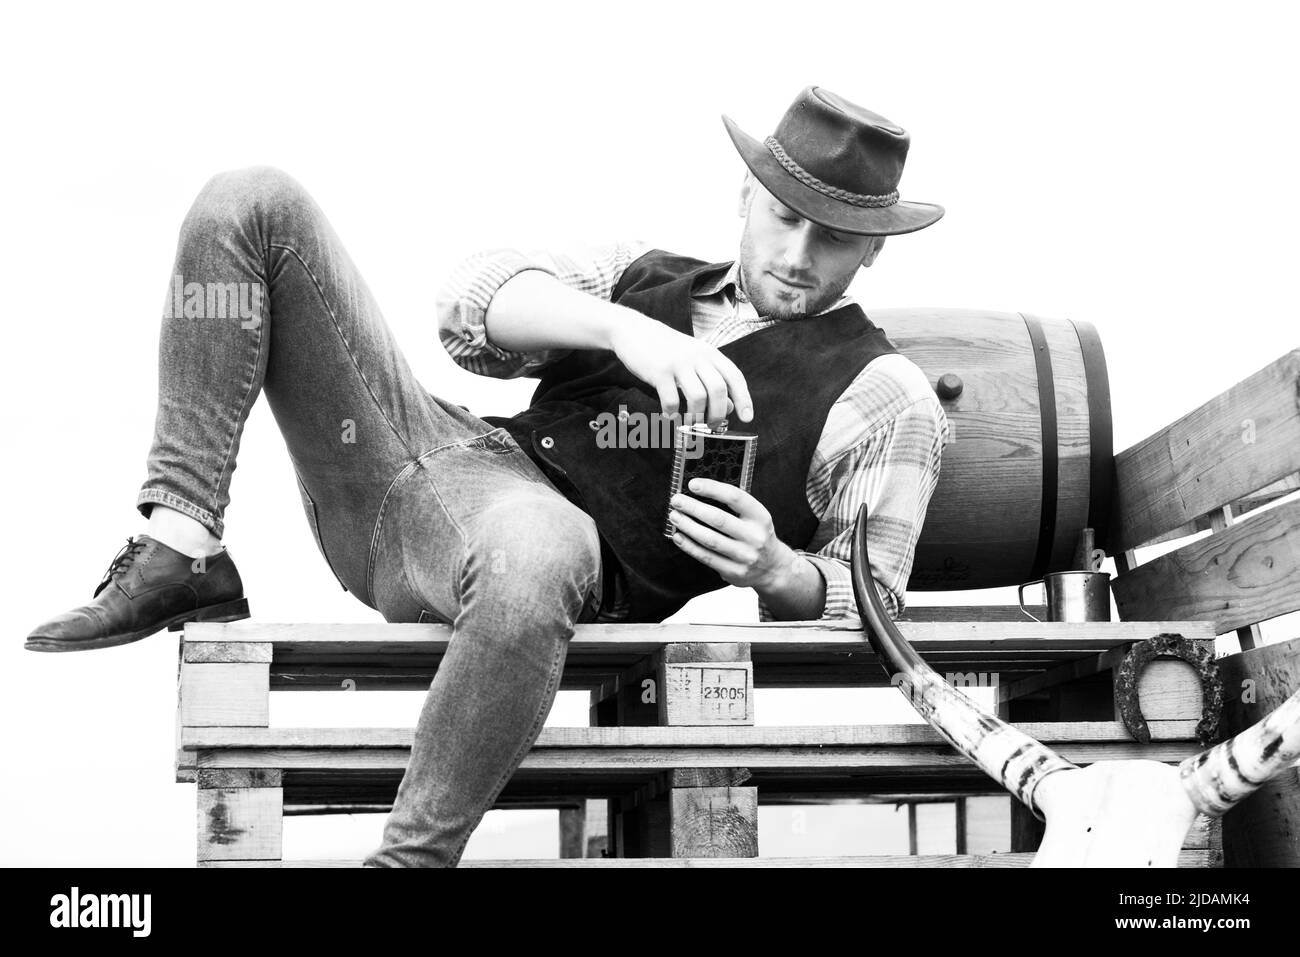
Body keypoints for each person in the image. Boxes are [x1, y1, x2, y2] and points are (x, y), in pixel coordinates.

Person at [26, 86, 949, 866]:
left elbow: (873, 608)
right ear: (743, 195)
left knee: (536, 543)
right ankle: (183, 540)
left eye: (831, 237)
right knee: (251, 198)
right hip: (412, 456)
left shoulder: (884, 394)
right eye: (784, 216)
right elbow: (468, 304)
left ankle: (408, 858)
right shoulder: (642, 274)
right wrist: (623, 327)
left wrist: (779, 568)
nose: (796, 254)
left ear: (873, 248)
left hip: (539, 558)